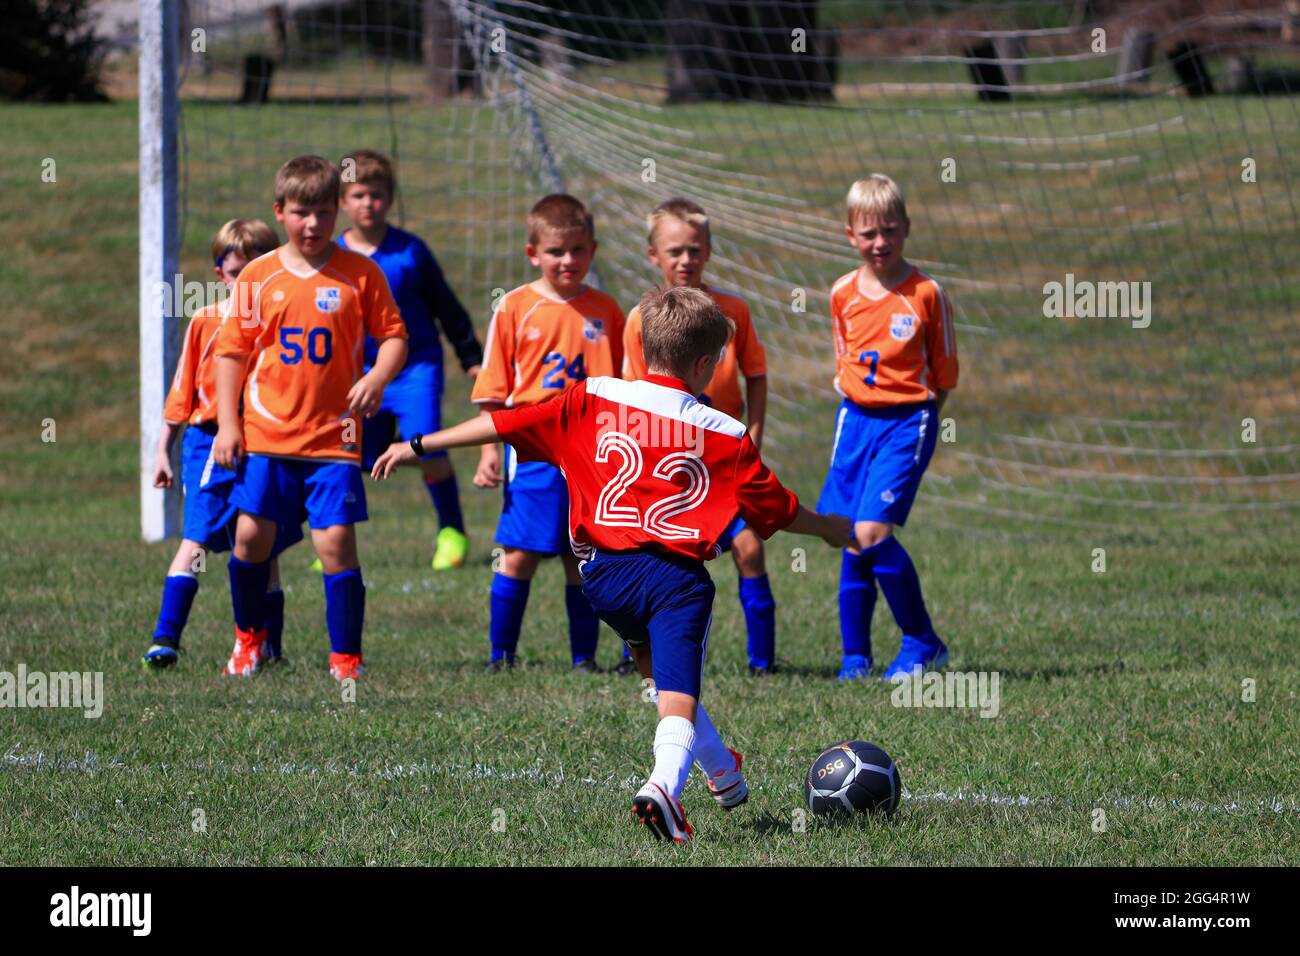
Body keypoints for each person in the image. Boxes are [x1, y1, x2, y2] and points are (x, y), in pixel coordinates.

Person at [372, 285, 853, 843]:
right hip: (673, 581)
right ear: (705, 363)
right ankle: (664, 789)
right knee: (678, 692)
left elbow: (505, 424)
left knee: (660, 675)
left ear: (644, 345)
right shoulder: (725, 432)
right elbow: (780, 509)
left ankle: (724, 772)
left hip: (600, 578)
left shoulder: (591, 396)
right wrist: (828, 530)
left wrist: (420, 444)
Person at [212, 155, 408, 680]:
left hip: (333, 438)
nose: (313, 223)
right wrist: (229, 425)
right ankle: (248, 641)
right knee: (251, 537)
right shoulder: (258, 275)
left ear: (336, 211)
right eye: (301, 212)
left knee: (335, 542)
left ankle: (346, 658)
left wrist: (376, 378)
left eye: (323, 212)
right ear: (280, 212)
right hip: (268, 434)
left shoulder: (360, 274)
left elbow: (394, 337)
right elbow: (231, 351)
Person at [468, 194, 624, 672]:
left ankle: (584, 659)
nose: (568, 260)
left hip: (592, 451)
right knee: (518, 553)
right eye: (556, 252)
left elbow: (621, 388)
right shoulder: (515, 307)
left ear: (592, 250)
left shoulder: (608, 311)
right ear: (533, 253)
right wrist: (488, 453)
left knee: (580, 556)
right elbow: (493, 391)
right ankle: (501, 656)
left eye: (578, 250)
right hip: (533, 449)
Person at [621, 198, 776, 676]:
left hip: (723, 461)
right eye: (675, 251)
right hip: (668, 466)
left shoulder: (733, 312)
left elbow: (756, 376)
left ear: (708, 250)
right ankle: (639, 654)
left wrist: (753, 434)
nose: (686, 260)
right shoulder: (639, 318)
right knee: (650, 560)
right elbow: (633, 398)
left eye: (695, 249)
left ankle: (763, 662)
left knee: (749, 547)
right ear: (653, 256)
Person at [818, 174, 959, 681]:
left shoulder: (925, 293)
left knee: (873, 530)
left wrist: (916, 414)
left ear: (907, 229)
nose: (881, 243)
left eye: (891, 231)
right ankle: (855, 656)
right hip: (853, 422)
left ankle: (923, 641)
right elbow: (845, 361)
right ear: (850, 235)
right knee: (849, 535)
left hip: (907, 423)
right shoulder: (841, 293)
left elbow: (944, 375)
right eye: (870, 233)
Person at [143, 219, 301, 669]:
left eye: (256, 269)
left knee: (262, 547)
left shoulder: (284, 322)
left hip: (268, 442)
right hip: (211, 443)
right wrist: (162, 450)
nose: (246, 280)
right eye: (236, 272)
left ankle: (268, 648)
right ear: (220, 274)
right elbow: (182, 391)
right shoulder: (207, 321)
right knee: (195, 542)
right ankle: (166, 639)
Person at [337, 149, 482, 571]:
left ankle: (451, 531)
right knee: (345, 453)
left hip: (415, 367)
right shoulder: (332, 258)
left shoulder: (411, 252)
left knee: (425, 444)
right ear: (343, 201)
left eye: (377, 195)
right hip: (358, 374)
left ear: (391, 198)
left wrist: (470, 357)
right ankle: (336, 539)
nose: (368, 203)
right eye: (359, 195)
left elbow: (447, 308)